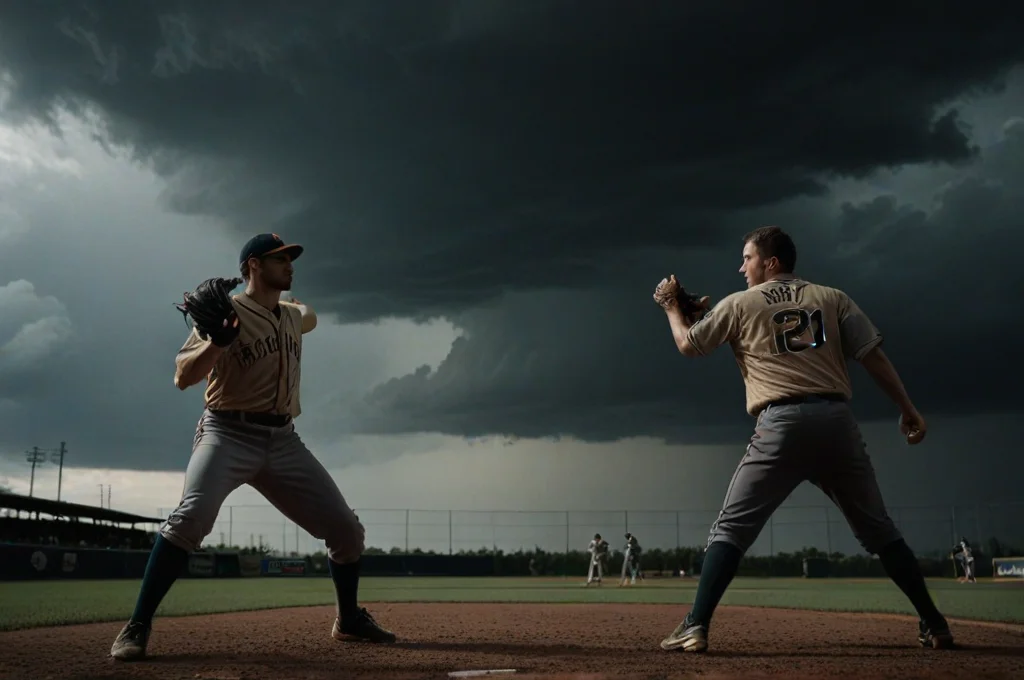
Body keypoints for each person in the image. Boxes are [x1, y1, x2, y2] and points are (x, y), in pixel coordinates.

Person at [653, 225, 954, 653]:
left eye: (748, 258)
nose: (741, 267)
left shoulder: (739, 303)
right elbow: (873, 355)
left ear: (771, 262)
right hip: (836, 423)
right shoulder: (831, 297)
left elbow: (689, 345)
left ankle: (695, 624)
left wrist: (671, 308)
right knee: (879, 530)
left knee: (731, 529)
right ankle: (935, 623)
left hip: (782, 424)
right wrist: (908, 408)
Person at [109, 233, 396, 661]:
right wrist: (217, 342)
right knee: (191, 518)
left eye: (290, 259)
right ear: (254, 266)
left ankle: (348, 618)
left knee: (346, 530)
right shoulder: (226, 314)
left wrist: (299, 304)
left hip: (283, 440)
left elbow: (309, 315)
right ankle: (136, 626)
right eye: (280, 259)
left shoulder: (290, 315)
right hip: (227, 433)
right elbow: (184, 376)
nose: (290, 264)